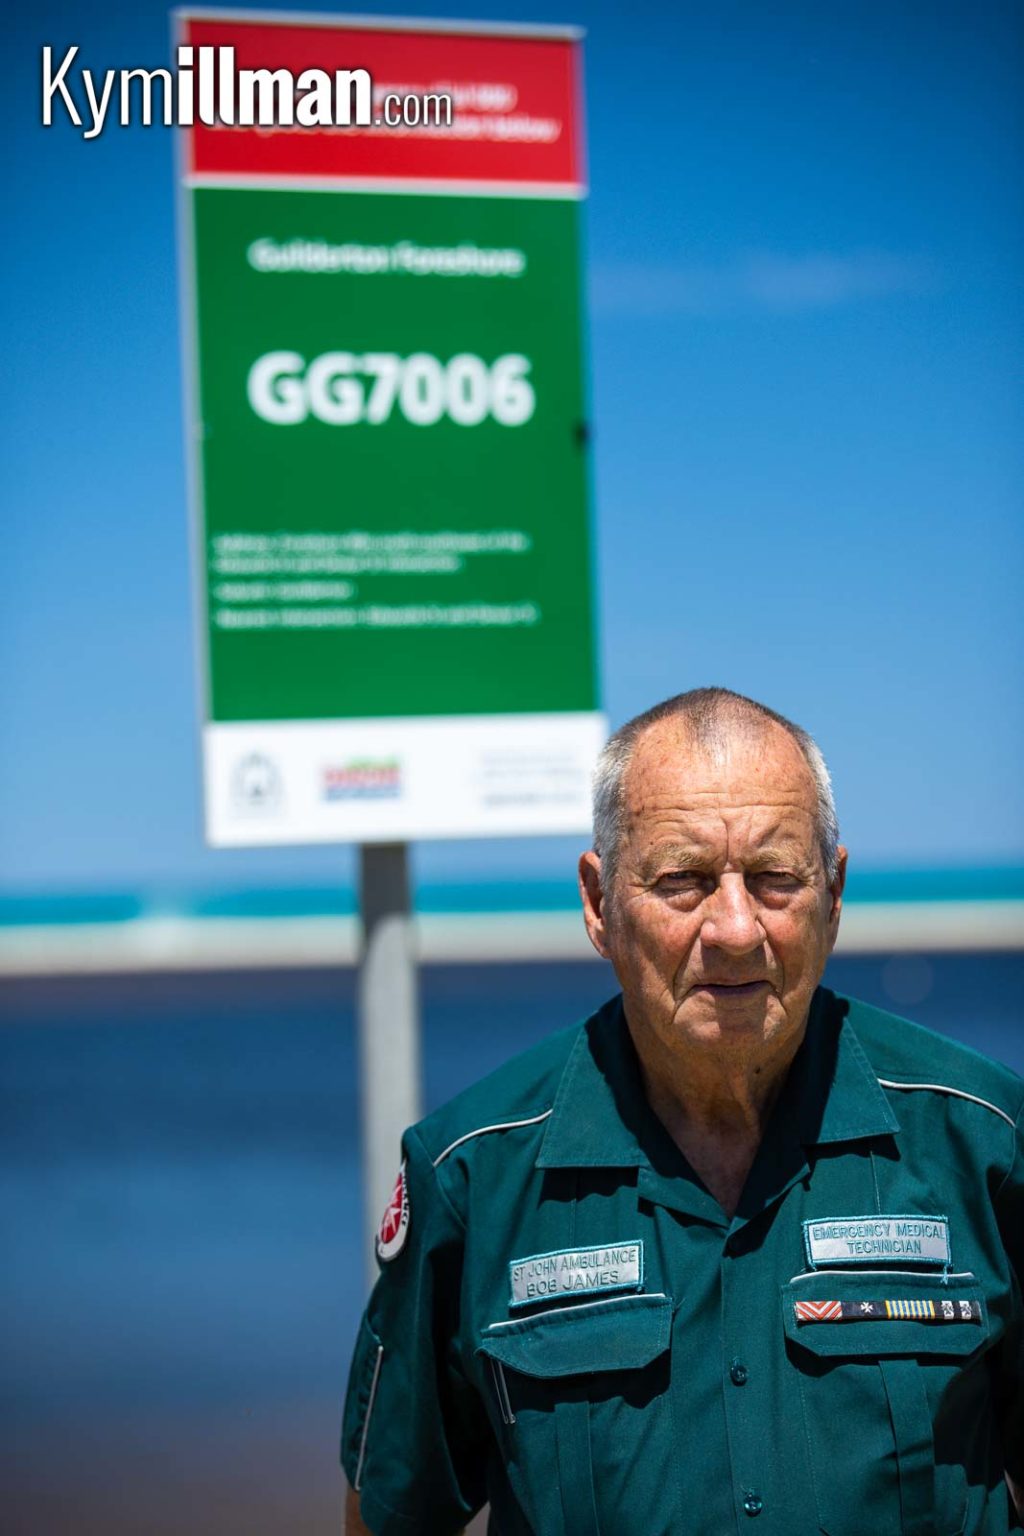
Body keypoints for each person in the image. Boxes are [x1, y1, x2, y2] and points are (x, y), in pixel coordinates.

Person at [341, 687, 1024, 1535]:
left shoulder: (985, 1141)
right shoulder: (474, 1177)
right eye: (682, 881)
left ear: (836, 891)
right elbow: (393, 1513)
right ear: (599, 904)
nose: (736, 928)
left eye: (776, 878)